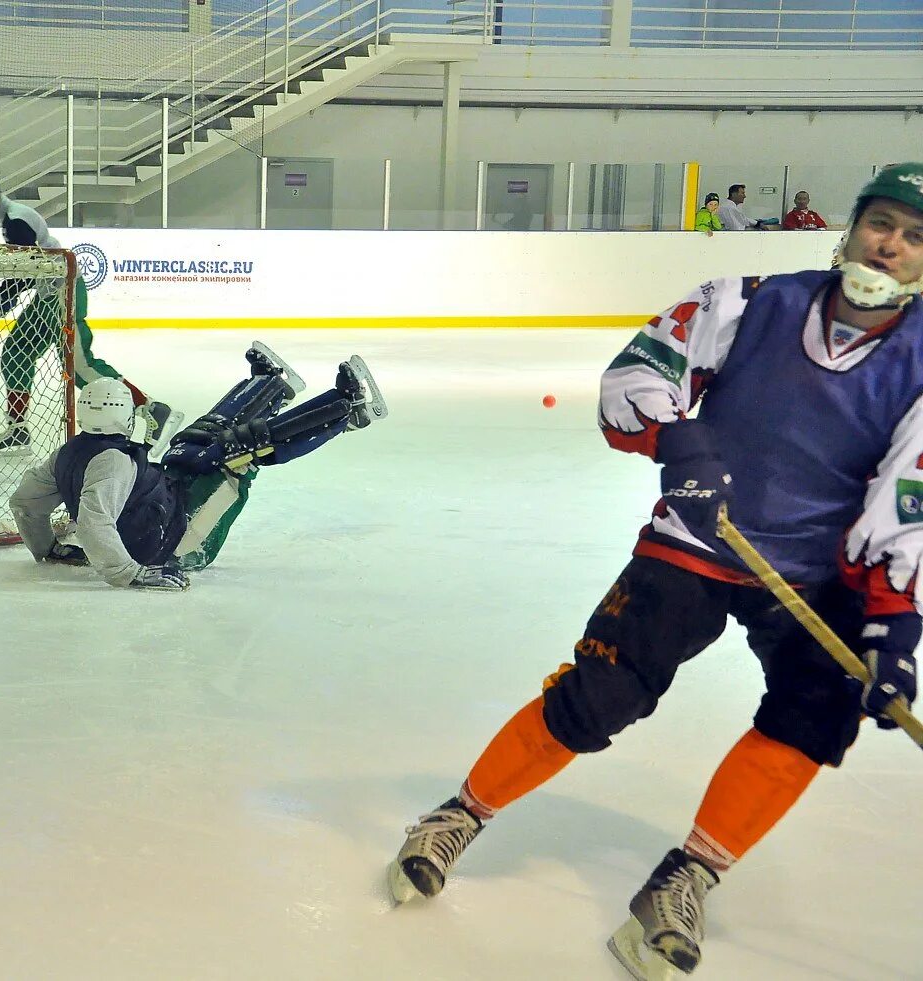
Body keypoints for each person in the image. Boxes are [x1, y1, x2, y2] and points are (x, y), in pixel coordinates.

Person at [388, 163, 923, 979]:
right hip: (696, 540)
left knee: (820, 712)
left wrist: (894, 625)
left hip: (817, 575)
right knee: (601, 692)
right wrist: (682, 444)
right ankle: (459, 813)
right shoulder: (750, 299)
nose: (891, 246)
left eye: (916, 238)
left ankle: (687, 877)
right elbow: (639, 372)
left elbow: (912, 491)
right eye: (883, 223)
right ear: (850, 228)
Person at [8, 343, 387, 588]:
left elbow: (25, 503)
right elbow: (94, 521)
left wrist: (47, 549)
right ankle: (346, 412)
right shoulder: (113, 463)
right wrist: (130, 574)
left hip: (166, 504)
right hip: (178, 542)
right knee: (243, 453)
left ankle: (268, 387)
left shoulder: (68, 452)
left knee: (196, 443)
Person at [0, 162, 182, 455]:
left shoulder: (16, 221)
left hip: (64, 293)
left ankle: (150, 408)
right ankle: (17, 430)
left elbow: (27, 272)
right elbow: (27, 272)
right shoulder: (8, 220)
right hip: (47, 295)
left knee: (80, 366)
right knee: (17, 351)